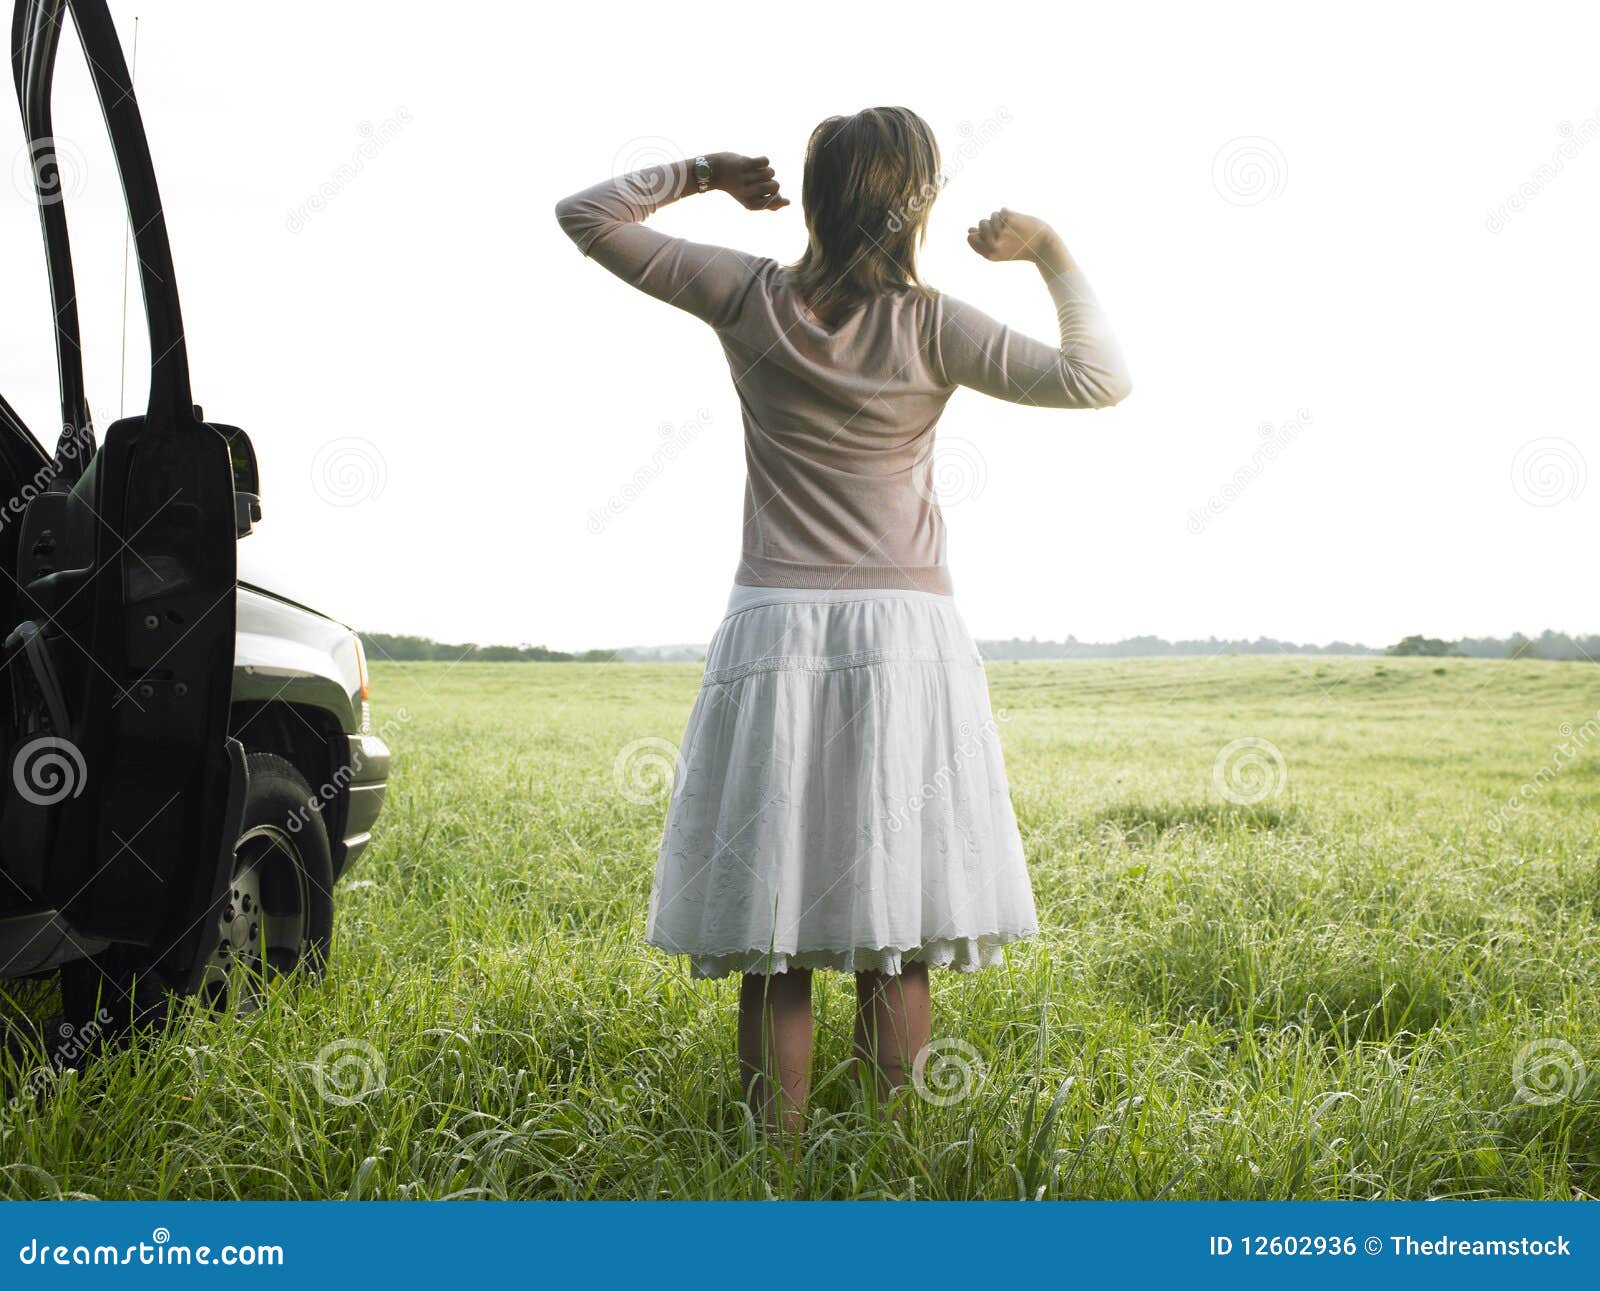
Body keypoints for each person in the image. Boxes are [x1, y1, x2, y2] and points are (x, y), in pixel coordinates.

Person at [555, 106, 1130, 1134]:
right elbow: (1099, 380)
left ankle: (765, 1165)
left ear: (814, 198)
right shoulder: (934, 325)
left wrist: (704, 172)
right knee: (894, 929)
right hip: (905, 637)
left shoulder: (746, 294)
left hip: (774, 625)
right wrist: (1047, 249)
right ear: (919, 202)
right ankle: (884, 1160)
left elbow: (586, 216)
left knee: (773, 932)